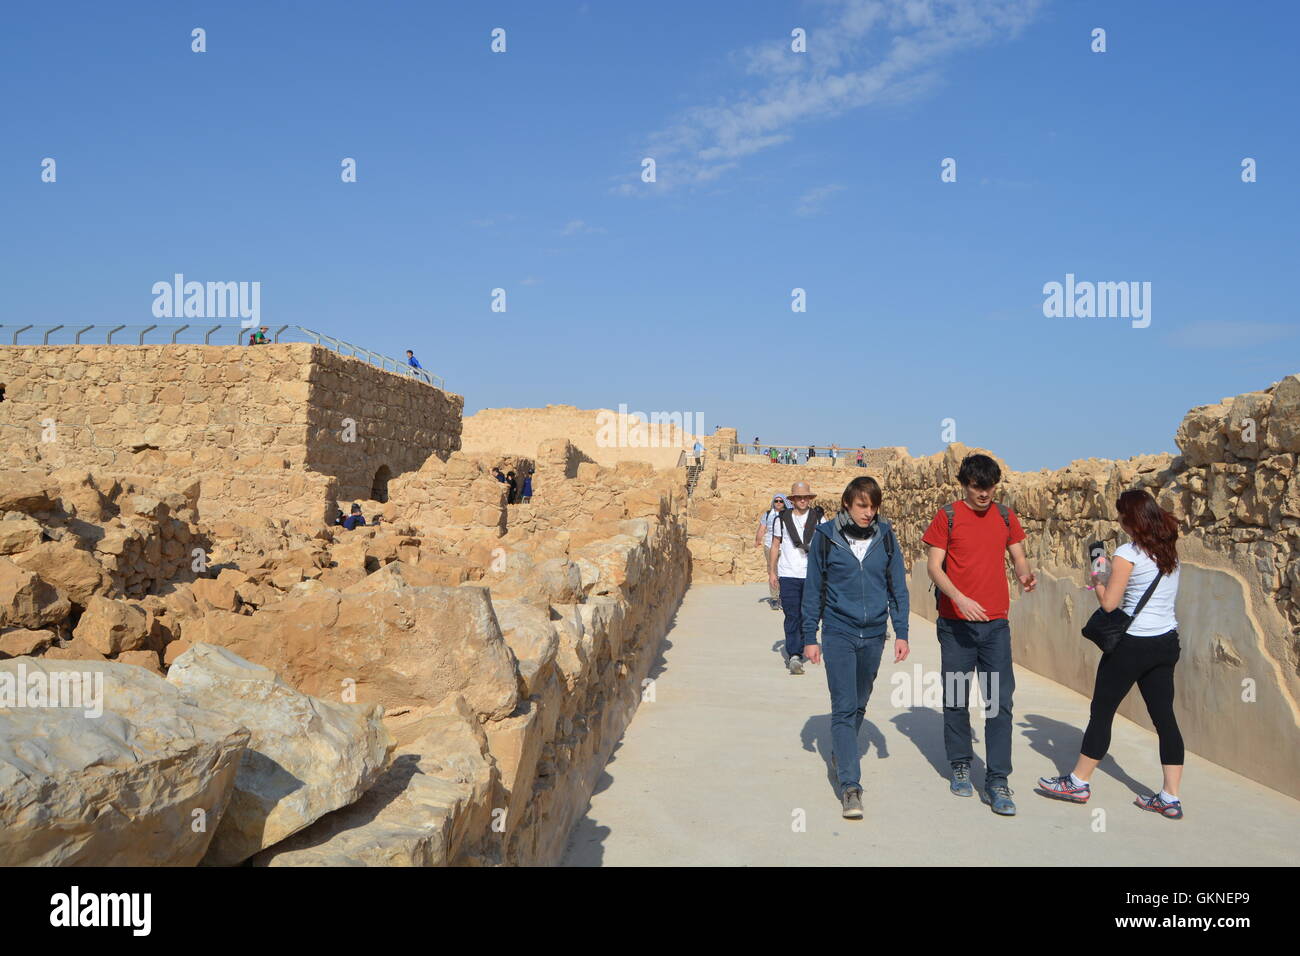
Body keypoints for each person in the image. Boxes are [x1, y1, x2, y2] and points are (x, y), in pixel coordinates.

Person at [1035, 489, 1186, 819]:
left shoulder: (1127, 553)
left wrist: (1096, 574)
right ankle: (1170, 797)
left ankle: (1078, 781)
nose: (1119, 520)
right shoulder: (1168, 550)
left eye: (1121, 515)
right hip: (1166, 642)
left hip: (1131, 645)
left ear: (1131, 519)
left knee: (1102, 711)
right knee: (1165, 718)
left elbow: (1109, 602)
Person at [923, 452, 1036, 816]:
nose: (984, 494)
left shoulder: (1005, 515)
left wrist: (1024, 573)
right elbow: (934, 567)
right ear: (964, 484)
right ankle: (960, 764)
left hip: (995, 626)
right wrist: (958, 597)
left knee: (999, 703)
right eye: (977, 487)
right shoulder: (949, 515)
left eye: (989, 487)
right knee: (956, 699)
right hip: (956, 626)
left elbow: (1018, 555)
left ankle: (998, 779)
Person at [801, 476, 910, 819]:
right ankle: (851, 786)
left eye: (873, 506)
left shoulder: (885, 537)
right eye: (862, 505)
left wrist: (902, 631)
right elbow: (813, 590)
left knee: (860, 702)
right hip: (838, 632)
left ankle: (842, 751)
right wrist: (809, 636)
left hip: (875, 633)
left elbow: (898, 588)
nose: (868, 512)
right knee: (845, 706)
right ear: (847, 503)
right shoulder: (827, 537)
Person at [768, 481, 824, 676]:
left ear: (810, 499)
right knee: (792, 614)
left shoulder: (819, 518)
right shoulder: (782, 520)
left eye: (806, 497)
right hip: (788, 573)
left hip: (812, 574)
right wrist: (772, 571)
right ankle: (794, 654)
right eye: (799, 497)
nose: (802, 500)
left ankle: (807, 643)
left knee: (809, 614)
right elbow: (775, 545)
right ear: (792, 500)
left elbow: (826, 546)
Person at [755, 494, 789, 609]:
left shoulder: (789, 514)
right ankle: (774, 598)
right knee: (772, 571)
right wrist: (758, 540)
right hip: (770, 546)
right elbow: (762, 528)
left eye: (781, 501)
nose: (778, 503)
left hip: (785, 547)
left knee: (785, 571)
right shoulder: (768, 514)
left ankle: (784, 597)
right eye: (776, 501)